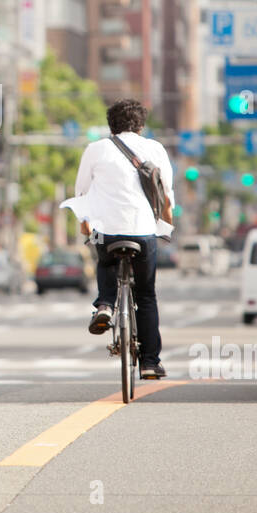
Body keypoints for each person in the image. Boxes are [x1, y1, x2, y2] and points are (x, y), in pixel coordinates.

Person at [64, 99, 175, 379]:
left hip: (107, 230)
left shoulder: (96, 149)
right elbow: (166, 194)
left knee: (105, 262)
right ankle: (150, 362)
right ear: (141, 125)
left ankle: (104, 304)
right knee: (146, 296)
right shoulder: (155, 149)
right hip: (143, 230)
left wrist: (85, 226)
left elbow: (81, 193)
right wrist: (165, 226)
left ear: (111, 125)